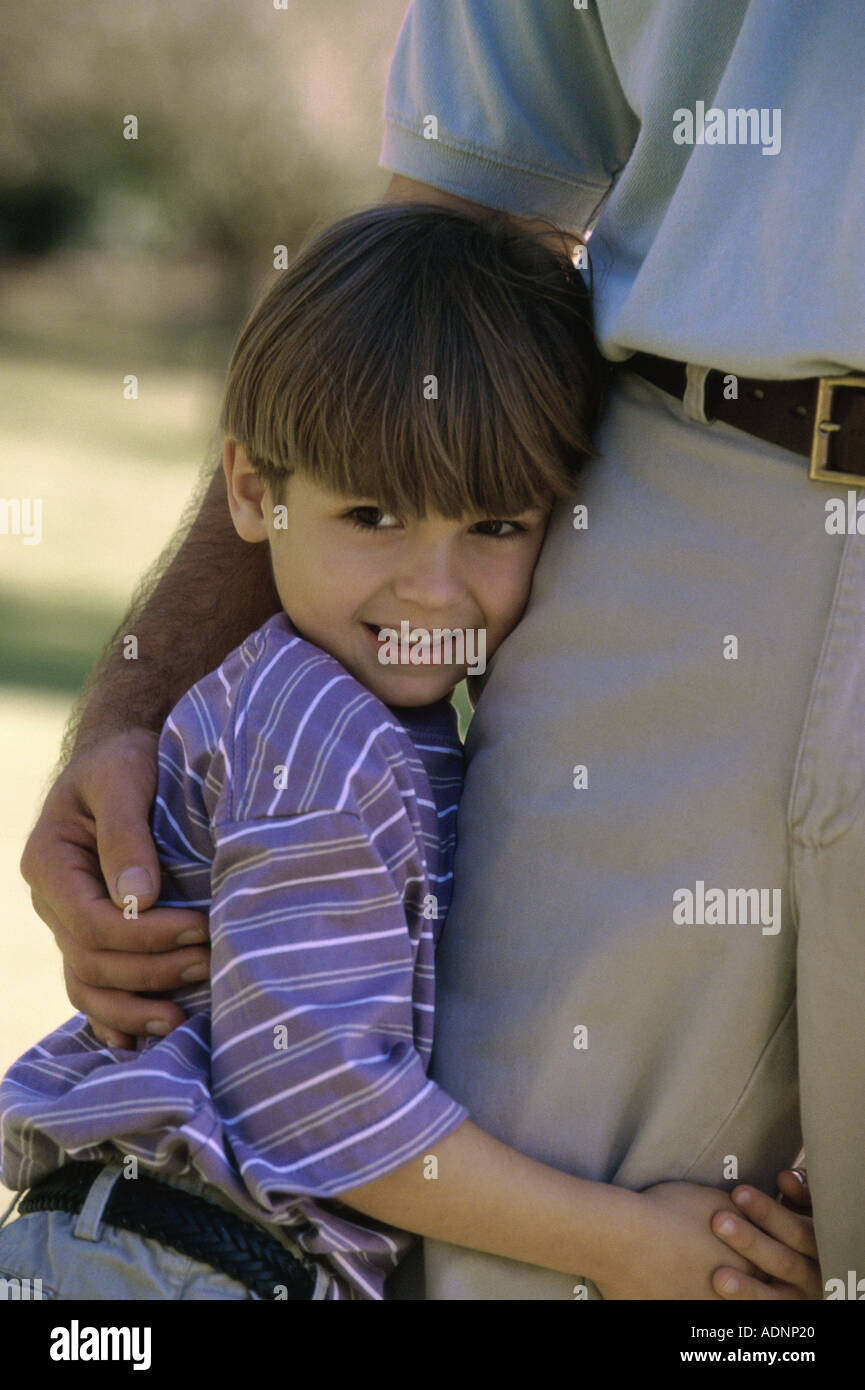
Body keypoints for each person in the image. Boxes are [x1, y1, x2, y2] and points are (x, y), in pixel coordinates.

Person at [17, 1, 859, 1300]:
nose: (435, 582)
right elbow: (317, 1109)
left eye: (496, 525)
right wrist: (627, 1244)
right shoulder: (319, 736)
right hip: (160, 1275)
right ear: (254, 489)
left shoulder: (373, 716)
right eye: (372, 515)